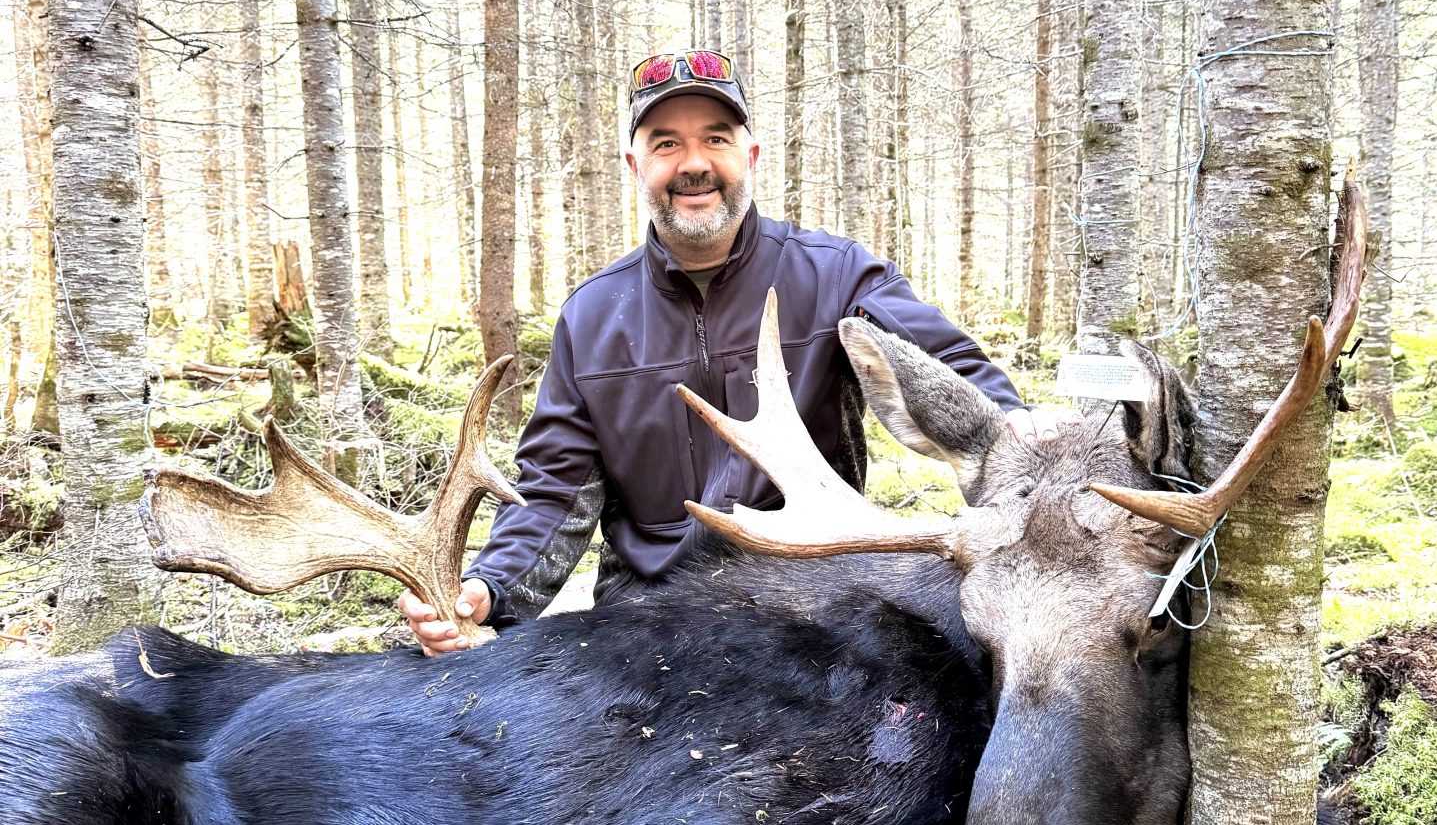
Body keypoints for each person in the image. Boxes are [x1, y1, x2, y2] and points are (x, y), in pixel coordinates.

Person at [401, 49, 1044, 653]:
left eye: (715, 138)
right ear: (635, 166)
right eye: (666, 144)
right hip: (647, 620)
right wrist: (487, 590)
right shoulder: (592, 316)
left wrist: (1018, 430)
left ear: (749, 154)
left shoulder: (836, 276)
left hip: (818, 610)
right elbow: (554, 490)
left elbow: (945, 367)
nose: (694, 164)